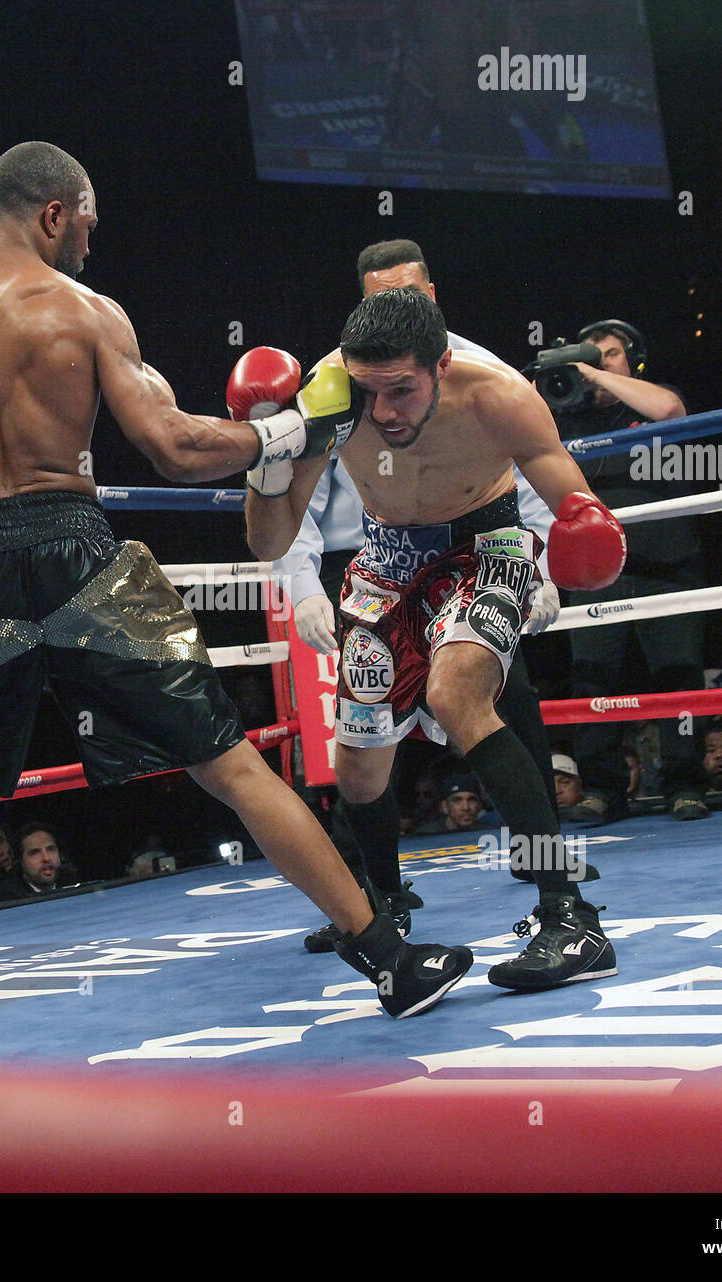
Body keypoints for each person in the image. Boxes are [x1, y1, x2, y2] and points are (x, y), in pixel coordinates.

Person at [0, 142, 469, 1048]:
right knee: (229, 763)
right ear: (57, 213)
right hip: (75, 553)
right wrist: (286, 434)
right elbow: (175, 449)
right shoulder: (85, 311)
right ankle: (388, 958)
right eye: (90, 221)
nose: (93, 243)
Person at [245, 286, 625, 990]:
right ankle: (384, 906)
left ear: (441, 366)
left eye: (402, 391)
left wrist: (581, 538)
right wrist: (269, 454)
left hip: (486, 546)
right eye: (369, 391)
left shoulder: (498, 395)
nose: (383, 412)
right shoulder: (329, 401)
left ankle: (570, 917)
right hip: (384, 560)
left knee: (457, 696)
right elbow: (268, 538)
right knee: (359, 763)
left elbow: (570, 496)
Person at [550, 320, 711, 824]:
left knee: (678, 677)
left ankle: (684, 786)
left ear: (633, 361)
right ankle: (601, 790)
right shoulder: (565, 419)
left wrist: (596, 375)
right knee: (592, 681)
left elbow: (670, 411)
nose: (598, 362)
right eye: (589, 354)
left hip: (667, 561)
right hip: (595, 570)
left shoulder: (651, 399)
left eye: (610, 354)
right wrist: (553, 380)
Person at [0, 823, 67, 901]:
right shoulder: (3, 895)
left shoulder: (73, 883)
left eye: (50, 849)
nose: (46, 858)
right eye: (35, 853)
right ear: (20, 861)